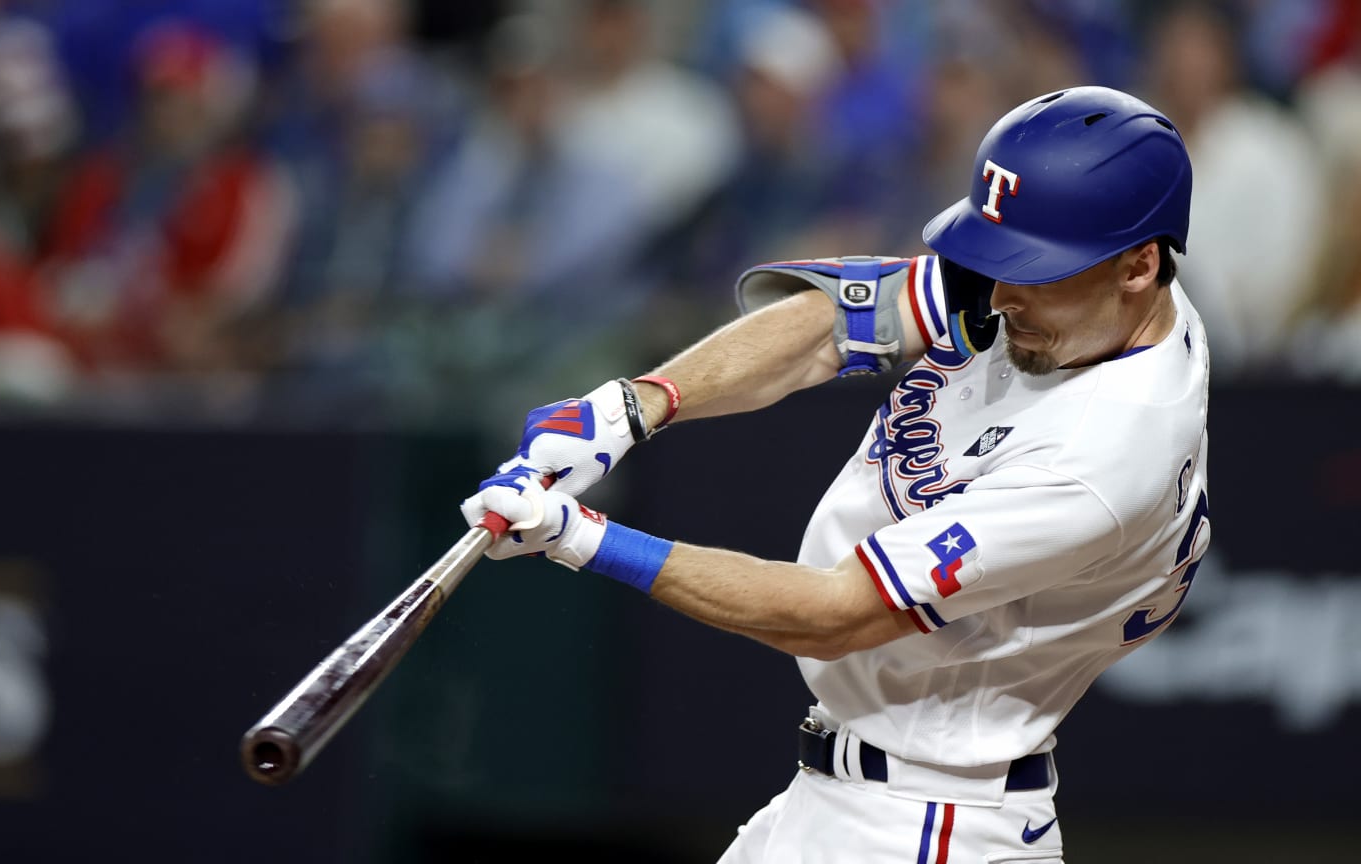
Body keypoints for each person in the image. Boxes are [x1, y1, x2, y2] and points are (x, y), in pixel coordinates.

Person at [459, 85, 1208, 862]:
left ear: (1139, 265)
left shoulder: (1105, 457)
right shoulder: (1090, 306)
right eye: (999, 256)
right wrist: (633, 408)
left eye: (1036, 268)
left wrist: (583, 538)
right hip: (852, 798)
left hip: (932, 819)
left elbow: (833, 612)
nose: (1001, 292)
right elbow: (838, 325)